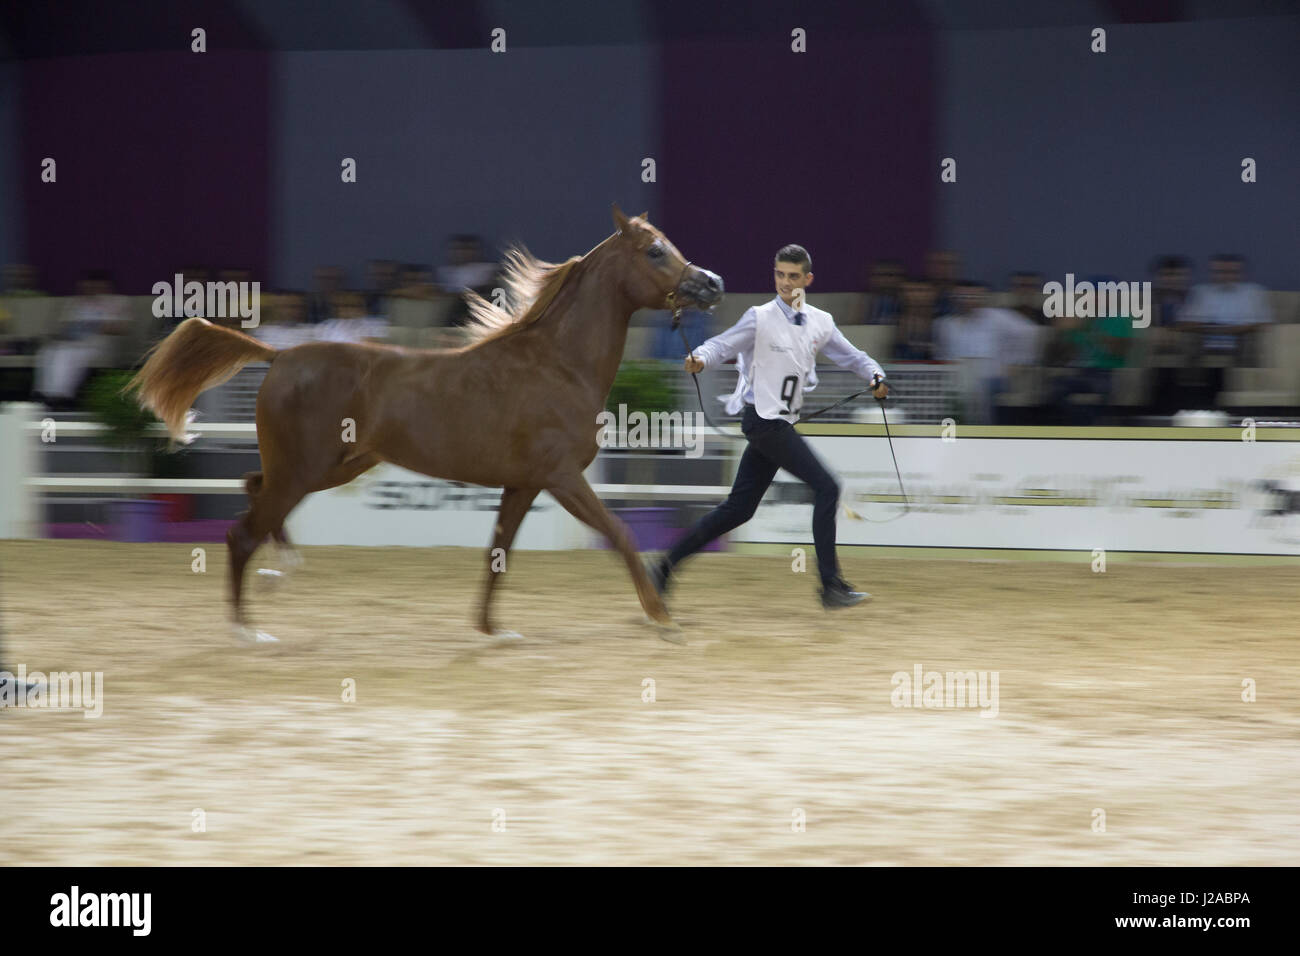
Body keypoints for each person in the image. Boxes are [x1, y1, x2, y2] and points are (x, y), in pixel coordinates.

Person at [647, 245, 888, 610]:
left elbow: (852, 356)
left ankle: (665, 566)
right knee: (827, 487)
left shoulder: (821, 322)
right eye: (780, 274)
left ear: (807, 280)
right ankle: (831, 586)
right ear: (774, 274)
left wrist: (875, 375)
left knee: (738, 510)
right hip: (764, 423)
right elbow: (722, 344)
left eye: (793, 276)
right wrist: (700, 359)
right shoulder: (759, 317)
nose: (785, 282)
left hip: (778, 425)